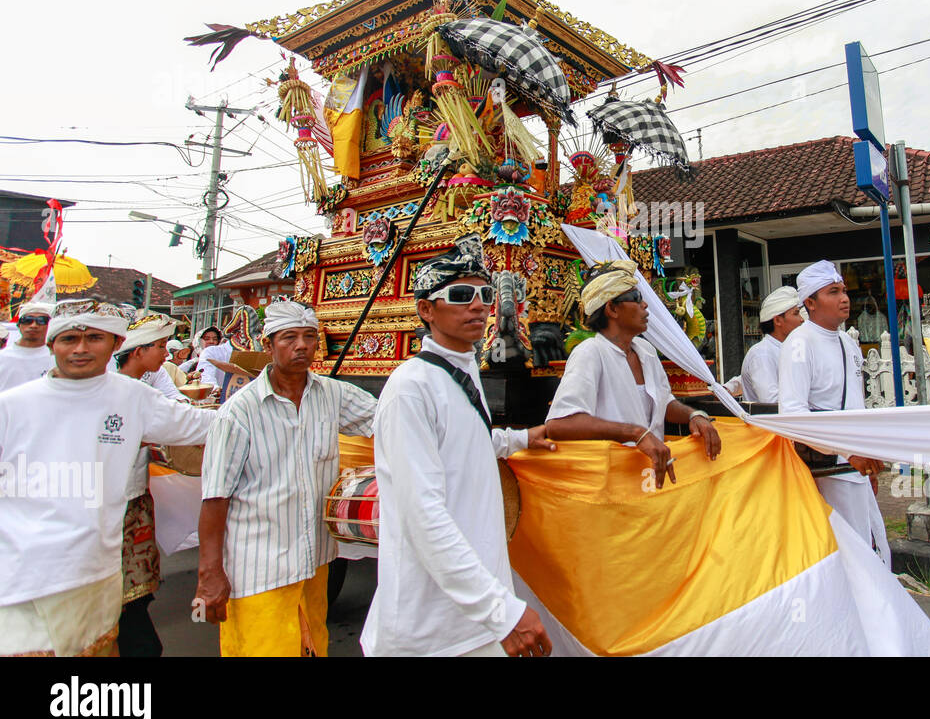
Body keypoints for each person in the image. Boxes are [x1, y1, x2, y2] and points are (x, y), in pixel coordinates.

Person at [361, 237, 555, 657]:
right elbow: (424, 516)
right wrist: (501, 611)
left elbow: (465, 442)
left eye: (485, 295)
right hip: (432, 631)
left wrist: (519, 439)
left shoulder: (460, 370)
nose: (479, 306)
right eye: (460, 295)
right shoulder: (411, 388)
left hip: (475, 620)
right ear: (426, 309)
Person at [0, 300, 213, 656]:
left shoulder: (133, 398)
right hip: (21, 574)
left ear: (116, 344)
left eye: (95, 338)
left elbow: (209, 426)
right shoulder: (12, 406)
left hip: (93, 571)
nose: (81, 348)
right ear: (52, 344)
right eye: (69, 339)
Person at [195, 300, 376, 657]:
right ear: (268, 345)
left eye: (310, 337)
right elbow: (215, 498)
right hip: (261, 568)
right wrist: (209, 573)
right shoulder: (239, 412)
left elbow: (392, 420)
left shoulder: (331, 394)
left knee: (313, 648)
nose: (301, 346)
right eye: (289, 337)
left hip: (314, 562)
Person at [545, 260, 721, 489]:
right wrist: (636, 433)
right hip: (612, 486)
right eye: (636, 299)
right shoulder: (590, 353)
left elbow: (663, 402)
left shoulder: (645, 351)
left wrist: (694, 415)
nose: (645, 305)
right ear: (612, 309)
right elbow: (559, 424)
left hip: (650, 480)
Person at [778, 260, 889, 564]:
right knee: (848, 555)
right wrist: (846, 452)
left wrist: (865, 455)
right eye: (833, 292)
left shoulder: (848, 343)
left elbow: (856, 405)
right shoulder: (799, 344)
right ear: (810, 303)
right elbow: (793, 413)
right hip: (830, 470)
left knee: (872, 548)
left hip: (857, 467)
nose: (844, 298)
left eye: (843, 290)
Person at [113, 312, 199, 656]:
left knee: (137, 587)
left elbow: (176, 407)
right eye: (160, 346)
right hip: (109, 502)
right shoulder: (111, 386)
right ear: (137, 351)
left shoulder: (152, 377)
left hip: (134, 497)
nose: (166, 353)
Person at [737, 286, 802, 404]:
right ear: (777, 320)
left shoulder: (791, 348)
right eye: (796, 314)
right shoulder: (761, 354)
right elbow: (770, 400)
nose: (801, 319)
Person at [0, 301, 54, 393]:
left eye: (41, 321)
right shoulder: (3, 357)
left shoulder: (58, 358)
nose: (33, 325)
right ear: (19, 325)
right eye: (27, 320)